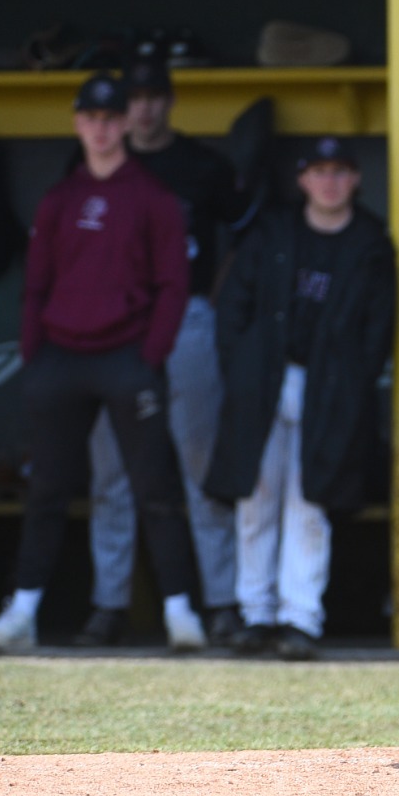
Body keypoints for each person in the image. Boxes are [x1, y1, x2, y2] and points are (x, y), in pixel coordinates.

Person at [0, 73, 205, 653]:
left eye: (112, 117)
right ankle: (24, 611)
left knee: (152, 486)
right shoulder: (60, 199)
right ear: (79, 121)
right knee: (49, 491)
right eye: (92, 116)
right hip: (61, 359)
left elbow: (173, 285)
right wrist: (37, 361)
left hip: (126, 359)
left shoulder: (152, 198)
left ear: (126, 123)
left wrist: (149, 357)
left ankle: (181, 612)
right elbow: (35, 288)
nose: (103, 127)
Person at [203, 137, 395, 660]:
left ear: (355, 178)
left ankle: (299, 617)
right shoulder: (274, 231)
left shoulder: (371, 242)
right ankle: (255, 614)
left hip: (328, 387)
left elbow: (377, 332)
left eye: (340, 171)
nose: (329, 181)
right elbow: (233, 309)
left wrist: (351, 384)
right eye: (319, 171)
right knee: (256, 497)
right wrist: (242, 370)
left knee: (310, 503)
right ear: (302, 179)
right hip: (266, 380)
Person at [81, 58, 244, 647]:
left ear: (171, 102)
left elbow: (245, 232)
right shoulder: (95, 168)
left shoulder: (202, 166)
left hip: (187, 319)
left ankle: (222, 601)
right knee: (113, 472)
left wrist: (215, 295)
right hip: (113, 328)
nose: (145, 108)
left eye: (155, 96)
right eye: (136, 98)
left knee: (201, 464)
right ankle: (109, 605)